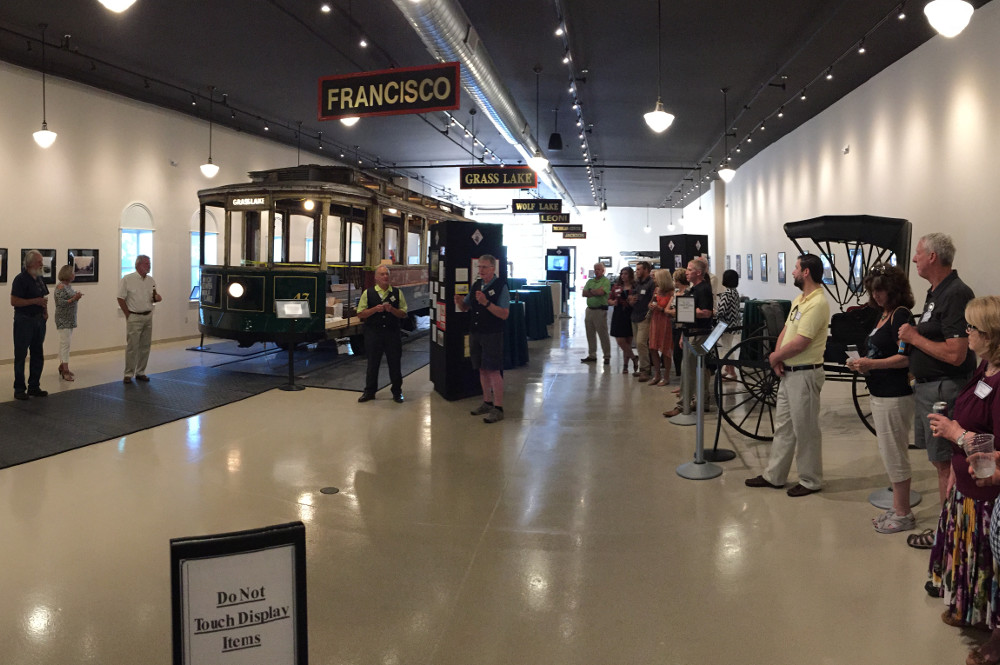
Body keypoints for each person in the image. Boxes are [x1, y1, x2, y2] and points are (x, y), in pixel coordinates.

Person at [922, 296, 1000, 641]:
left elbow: (997, 450)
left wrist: (958, 435)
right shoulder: (985, 367)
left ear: (990, 335)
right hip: (967, 486)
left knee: (984, 562)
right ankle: (968, 610)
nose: (966, 332)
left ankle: (985, 621)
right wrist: (956, 459)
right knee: (968, 556)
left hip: (987, 497)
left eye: (972, 327)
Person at [898, 233, 976, 522]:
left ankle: (949, 530)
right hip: (930, 389)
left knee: (948, 463)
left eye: (918, 253)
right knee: (940, 461)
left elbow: (956, 354)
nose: (914, 259)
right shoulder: (937, 292)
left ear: (932, 257)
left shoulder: (955, 293)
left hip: (945, 389)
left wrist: (914, 337)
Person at [745, 254, 830, 496]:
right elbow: (786, 330)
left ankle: (811, 480)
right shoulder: (800, 300)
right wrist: (778, 356)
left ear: (806, 272)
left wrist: (774, 357)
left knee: (806, 430)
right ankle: (774, 475)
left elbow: (802, 342)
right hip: (789, 373)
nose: (792, 272)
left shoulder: (817, 303)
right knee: (783, 427)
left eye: (795, 268)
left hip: (805, 374)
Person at [845, 263, 916, 533]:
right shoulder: (884, 314)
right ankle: (898, 507)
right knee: (889, 452)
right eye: (873, 290)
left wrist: (871, 364)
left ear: (893, 289)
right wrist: (862, 363)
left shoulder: (900, 315)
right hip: (880, 392)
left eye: (881, 290)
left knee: (895, 453)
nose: (876, 295)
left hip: (894, 394)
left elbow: (905, 358)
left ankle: (903, 513)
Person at [454, 254, 510, 424]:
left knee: (493, 370)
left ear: (493, 268)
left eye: (484, 267)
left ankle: (498, 408)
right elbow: (465, 307)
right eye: (479, 267)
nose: (481, 270)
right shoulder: (477, 285)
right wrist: (459, 302)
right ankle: (487, 402)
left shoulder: (501, 286)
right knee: (482, 369)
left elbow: (504, 314)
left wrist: (486, 303)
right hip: (476, 332)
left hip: (492, 333)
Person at [665, 257, 715, 418]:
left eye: (689, 269)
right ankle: (701, 401)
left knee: (689, 370)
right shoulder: (695, 288)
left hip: (699, 334)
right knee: (699, 369)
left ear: (698, 273)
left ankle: (683, 405)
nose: (686, 272)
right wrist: (683, 334)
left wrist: (685, 311)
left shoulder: (703, 289)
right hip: (691, 332)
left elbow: (706, 312)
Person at [356, 264, 408, 403]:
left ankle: (397, 392)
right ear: (376, 278)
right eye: (382, 274)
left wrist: (392, 310)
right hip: (374, 333)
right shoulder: (368, 293)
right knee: (373, 363)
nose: (385, 276)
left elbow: (403, 313)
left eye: (387, 274)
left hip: (392, 333)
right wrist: (374, 309)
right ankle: (369, 391)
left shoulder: (397, 293)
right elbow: (360, 313)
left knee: (394, 363)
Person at [10, 249, 50, 400]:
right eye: (39, 262)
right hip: (24, 320)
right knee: (21, 354)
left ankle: (34, 386)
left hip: (39, 320)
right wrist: (34, 301)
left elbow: (43, 298)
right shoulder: (20, 279)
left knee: (37, 353)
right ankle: (19, 388)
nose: (41, 264)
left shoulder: (39, 279)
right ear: (31, 263)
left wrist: (45, 311)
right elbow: (14, 301)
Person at [116, 254, 162, 383]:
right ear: (138, 265)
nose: (149, 266)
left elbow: (152, 297)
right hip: (134, 316)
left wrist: (157, 298)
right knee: (132, 346)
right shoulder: (128, 279)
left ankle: (141, 372)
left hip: (148, 316)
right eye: (146, 264)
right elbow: (120, 298)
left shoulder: (151, 281)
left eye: (149, 264)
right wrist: (128, 315)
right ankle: (128, 373)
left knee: (145, 346)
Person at [54, 264, 84, 381]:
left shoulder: (68, 287)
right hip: (63, 319)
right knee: (65, 345)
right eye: (72, 272)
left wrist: (76, 296)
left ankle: (62, 366)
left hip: (69, 319)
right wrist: (74, 298)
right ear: (67, 274)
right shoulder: (60, 287)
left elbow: (70, 299)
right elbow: (61, 303)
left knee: (65, 343)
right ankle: (65, 370)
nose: (74, 274)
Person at [580, 262, 612, 365]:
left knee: (603, 334)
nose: (596, 271)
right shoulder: (590, 281)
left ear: (603, 271)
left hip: (600, 311)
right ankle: (592, 355)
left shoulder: (605, 281)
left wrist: (591, 292)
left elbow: (601, 292)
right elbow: (584, 293)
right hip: (589, 310)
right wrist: (595, 291)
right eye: (595, 269)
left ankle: (606, 356)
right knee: (590, 334)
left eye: (599, 269)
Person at [646, 268, 674, 386]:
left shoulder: (671, 292)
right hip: (655, 320)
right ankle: (657, 374)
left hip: (666, 322)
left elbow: (671, 310)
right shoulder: (657, 290)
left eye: (656, 278)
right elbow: (651, 302)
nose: (654, 280)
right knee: (652, 347)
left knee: (665, 350)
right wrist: (650, 306)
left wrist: (660, 309)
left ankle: (666, 376)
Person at [628, 261, 655, 381]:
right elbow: (632, 296)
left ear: (646, 270)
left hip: (645, 317)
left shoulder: (651, 283)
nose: (637, 271)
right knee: (638, 344)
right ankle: (643, 367)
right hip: (635, 316)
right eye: (636, 269)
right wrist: (631, 300)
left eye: (639, 269)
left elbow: (654, 299)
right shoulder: (636, 283)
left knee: (641, 343)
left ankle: (645, 370)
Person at [608, 266, 638, 374]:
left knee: (628, 340)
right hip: (619, 313)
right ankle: (634, 358)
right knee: (620, 340)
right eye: (622, 274)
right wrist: (613, 302)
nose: (623, 276)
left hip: (630, 313)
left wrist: (633, 301)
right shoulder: (616, 286)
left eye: (625, 274)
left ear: (630, 275)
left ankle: (625, 366)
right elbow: (609, 299)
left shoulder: (635, 287)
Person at [716, 269, 742, 381]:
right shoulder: (735, 292)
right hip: (734, 323)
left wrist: (714, 312)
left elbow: (721, 311)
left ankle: (732, 372)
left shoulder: (727, 294)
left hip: (726, 324)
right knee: (729, 346)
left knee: (727, 348)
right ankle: (728, 369)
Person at [670, 268, 690, 382]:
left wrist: (674, 312)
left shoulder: (688, 293)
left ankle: (684, 380)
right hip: (675, 325)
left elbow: (681, 312)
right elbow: (668, 310)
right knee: (676, 353)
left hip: (683, 326)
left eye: (675, 279)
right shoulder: (675, 293)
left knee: (680, 352)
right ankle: (681, 379)